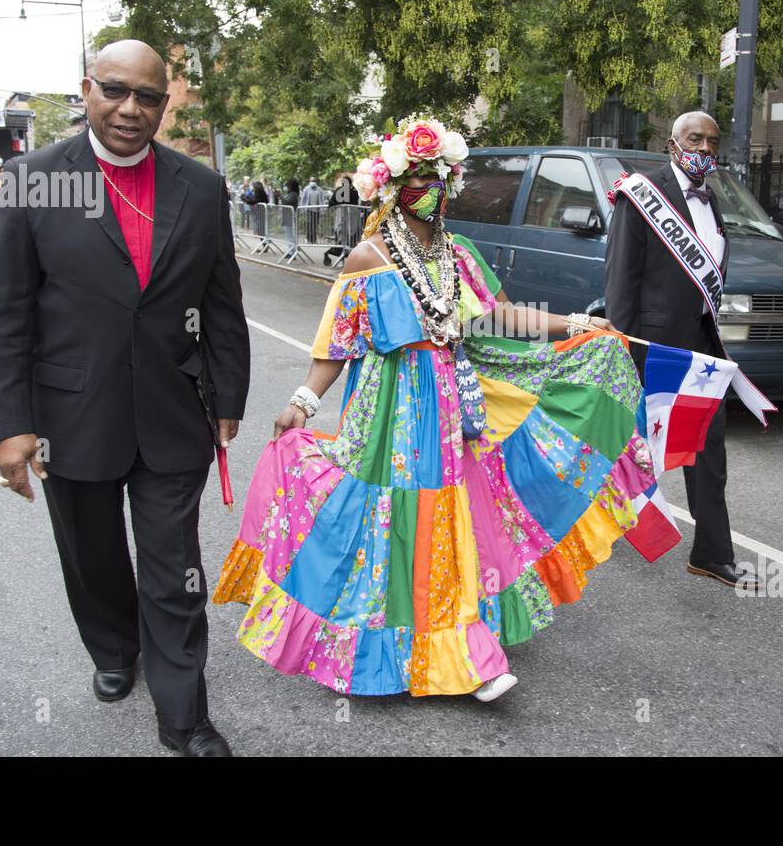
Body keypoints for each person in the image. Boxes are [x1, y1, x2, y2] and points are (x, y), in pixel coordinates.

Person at [212, 115, 654, 702]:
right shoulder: (365, 259)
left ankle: (465, 647)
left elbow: (499, 316)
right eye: (420, 178)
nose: (434, 189)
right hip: (385, 414)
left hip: (451, 410)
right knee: (381, 524)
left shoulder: (460, 254)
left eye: (442, 176)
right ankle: (379, 643)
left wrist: (575, 324)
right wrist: (303, 400)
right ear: (393, 186)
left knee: (449, 519)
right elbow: (336, 346)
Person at [0, 40, 251, 757]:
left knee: (173, 570)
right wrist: (10, 426)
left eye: (148, 97)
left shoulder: (200, 187)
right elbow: (5, 311)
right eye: (115, 90)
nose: (130, 108)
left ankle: (185, 718)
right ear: (86, 90)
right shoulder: (35, 180)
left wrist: (229, 397)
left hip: (172, 414)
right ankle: (111, 645)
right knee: (93, 556)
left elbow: (223, 303)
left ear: (166, 104)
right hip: (70, 417)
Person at [605, 111, 760, 591]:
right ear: (673, 143)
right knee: (622, 447)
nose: (705, 149)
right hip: (651, 347)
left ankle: (712, 554)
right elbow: (622, 278)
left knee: (706, 450)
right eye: (696, 139)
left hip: (699, 348)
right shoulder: (641, 195)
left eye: (713, 142)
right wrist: (625, 348)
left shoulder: (712, 200)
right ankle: (584, 528)